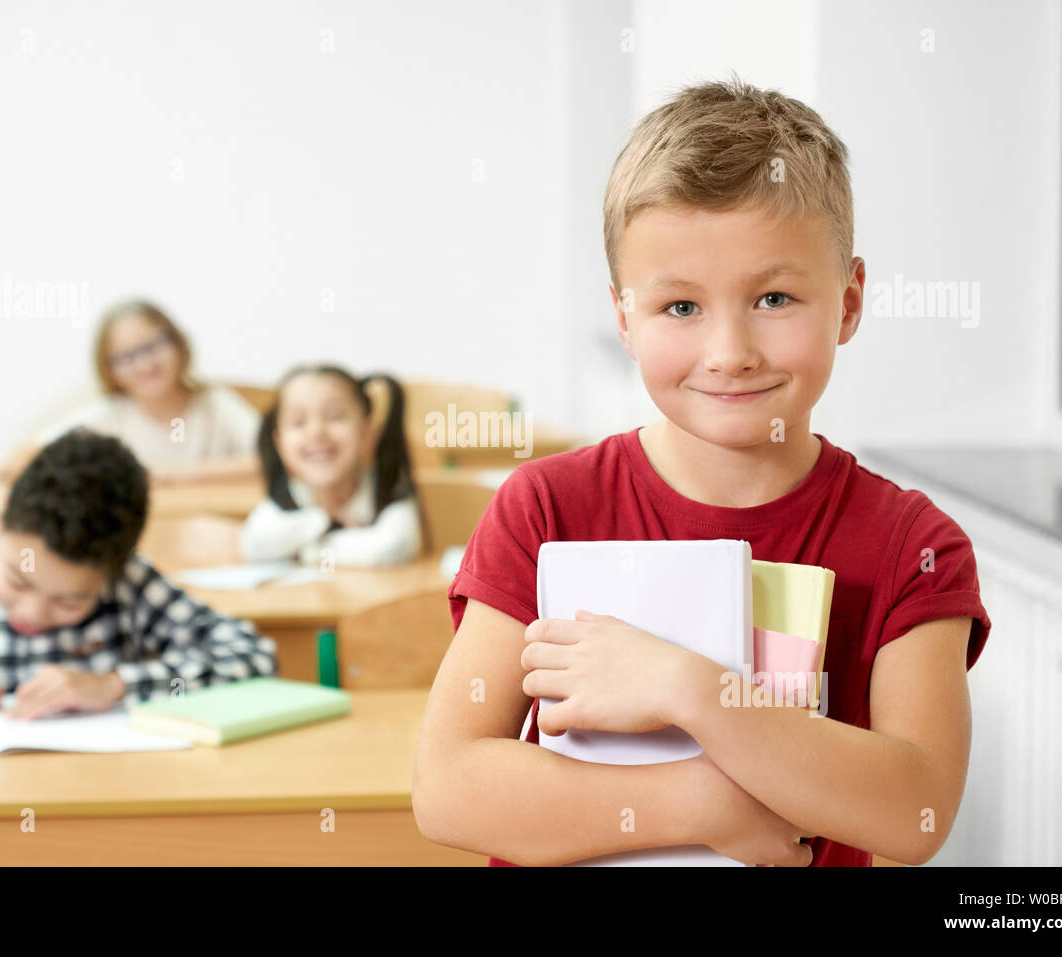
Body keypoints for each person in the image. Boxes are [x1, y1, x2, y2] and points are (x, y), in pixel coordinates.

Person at [413, 77, 992, 868]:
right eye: (680, 307)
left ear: (849, 301)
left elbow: (916, 811)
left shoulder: (911, 545)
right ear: (624, 317)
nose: (729, 352)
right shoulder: (545, 506)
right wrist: (702, 802)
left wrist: (690, 687)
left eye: (775, 297)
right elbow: (449, 786)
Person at [0, 429, 278, 718]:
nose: (33, 612)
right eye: (18, 580)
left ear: (110, 576)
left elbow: (255, 657)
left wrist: (115, 685)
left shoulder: (131, 589)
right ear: (1, 524)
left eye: (70, 601)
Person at [0, 300, 261, 485]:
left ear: (178, 343)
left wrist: (176, 475)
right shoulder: (109, 415)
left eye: (152, 346)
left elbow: (274, 457)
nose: (144, 365)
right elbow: (14, 464)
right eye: (126, 357)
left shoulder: (214, 404)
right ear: (109, 370)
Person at [238, 365, 424, 567]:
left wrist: (309, 551)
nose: (317, 431)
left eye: (335, 416)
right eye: (298, 422)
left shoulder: (388, 490)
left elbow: (394, 547)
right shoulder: (287, 495)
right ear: (279, 443)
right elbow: (255, 545)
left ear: (367, 432)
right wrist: (324, 522)